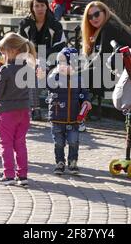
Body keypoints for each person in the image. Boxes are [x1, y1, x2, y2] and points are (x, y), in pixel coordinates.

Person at [0, 33, 36, 186]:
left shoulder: (6, 69)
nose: (2, 56)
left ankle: (8, 174)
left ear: (13, 51)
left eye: (3, 52)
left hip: (7, 111)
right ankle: (22, 175)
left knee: (6, 144)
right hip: (24, 110)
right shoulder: (28, 69)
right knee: (20, 143)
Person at [81, 1, 131, 95]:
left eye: (96, 14)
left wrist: (80, 73)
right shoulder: (104, 28)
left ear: (105, 12)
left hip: (123, 79)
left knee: (74, 80)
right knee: (75, 78)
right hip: (117, 75)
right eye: (90, 17)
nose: (93, 18)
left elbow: (102, 57)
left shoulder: (110, 27)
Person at [19, 0, 67, 121]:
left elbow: (59, 48)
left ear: (47, 7)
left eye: (42, 5)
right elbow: (19, 45)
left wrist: (41, 57)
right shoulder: (25, 24)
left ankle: (35, 109)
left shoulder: (55, 25)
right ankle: (33, 109)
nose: (39, 9)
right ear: (32, 8)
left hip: (51, 61)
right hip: (28, 60)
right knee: (30, 70)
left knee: (35, 71)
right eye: (36, 6)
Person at [47, 47, 92, 175]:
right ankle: (59, 162)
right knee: (59, 143)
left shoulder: (78, 79)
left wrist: (86, 101)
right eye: (59, 63)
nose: (62, 66)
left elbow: (84, 93)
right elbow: (48, 85)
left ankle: (73, 162)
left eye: (65, 63)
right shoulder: (54, 77)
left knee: (73, 141)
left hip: (73, 118)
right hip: (57, 116)